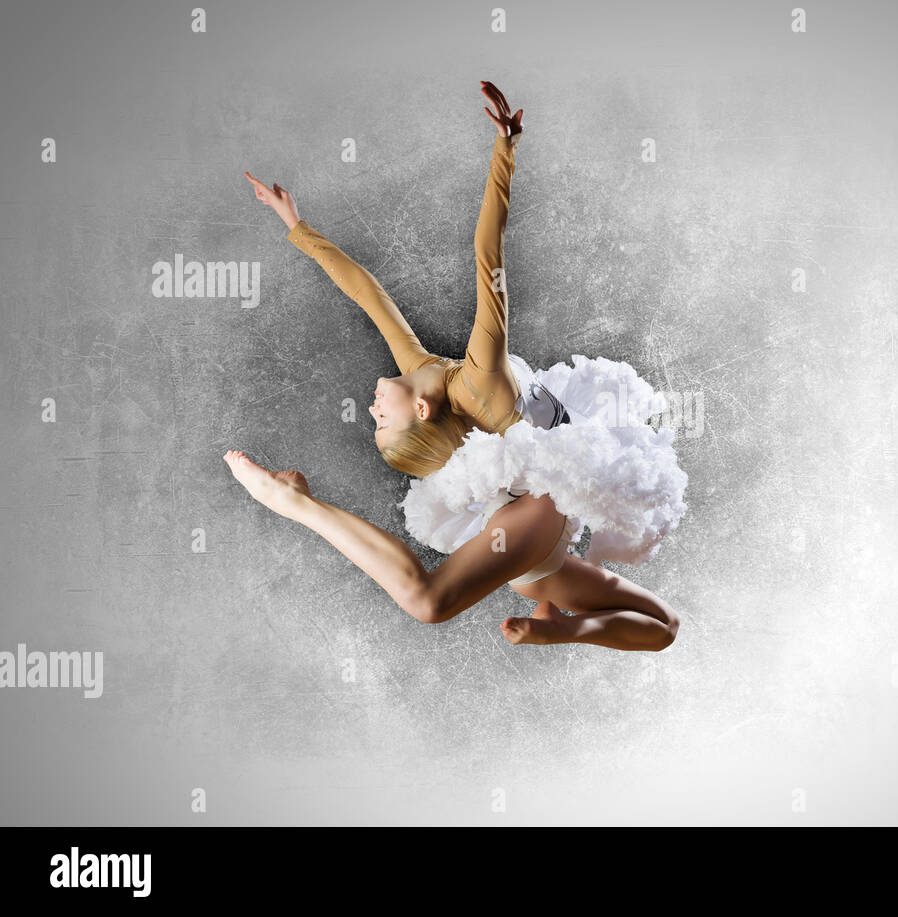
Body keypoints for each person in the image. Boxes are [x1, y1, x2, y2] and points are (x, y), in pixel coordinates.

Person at [229, 81, 686, 651]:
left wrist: (297, 228)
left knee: (663, 626)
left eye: (375, 418)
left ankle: (567, 629)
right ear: (422, 409)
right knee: (427, 600)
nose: (370, 409)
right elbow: (487, 255)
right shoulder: (480, 387)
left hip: (537, 538)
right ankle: (295, 501)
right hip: (536, 517)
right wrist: (504, 151)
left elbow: (368, 296)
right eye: (381, 420)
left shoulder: (421, 368)